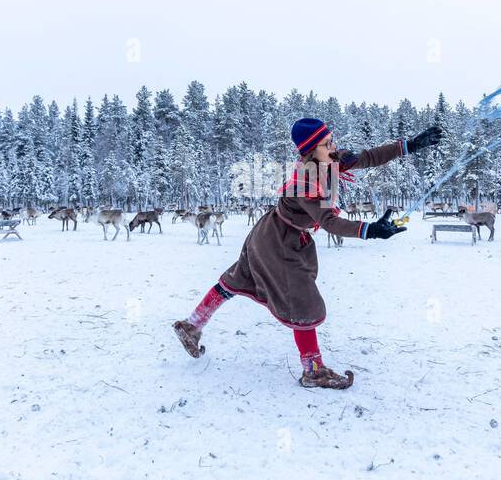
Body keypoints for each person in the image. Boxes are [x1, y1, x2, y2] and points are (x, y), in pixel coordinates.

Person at [172, 117, 444, 388]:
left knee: (237, 279)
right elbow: (329, 222)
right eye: (327, 144)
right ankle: (312, 369)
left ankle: (192, 325)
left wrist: (409, 146)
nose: (334, 147)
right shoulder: (306, 181)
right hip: (278, 241)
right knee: (301, 299)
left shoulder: (330, 160)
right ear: (310, 150)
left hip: (274, 233)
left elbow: (369, 156)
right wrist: (369, 230)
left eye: (331, 140)